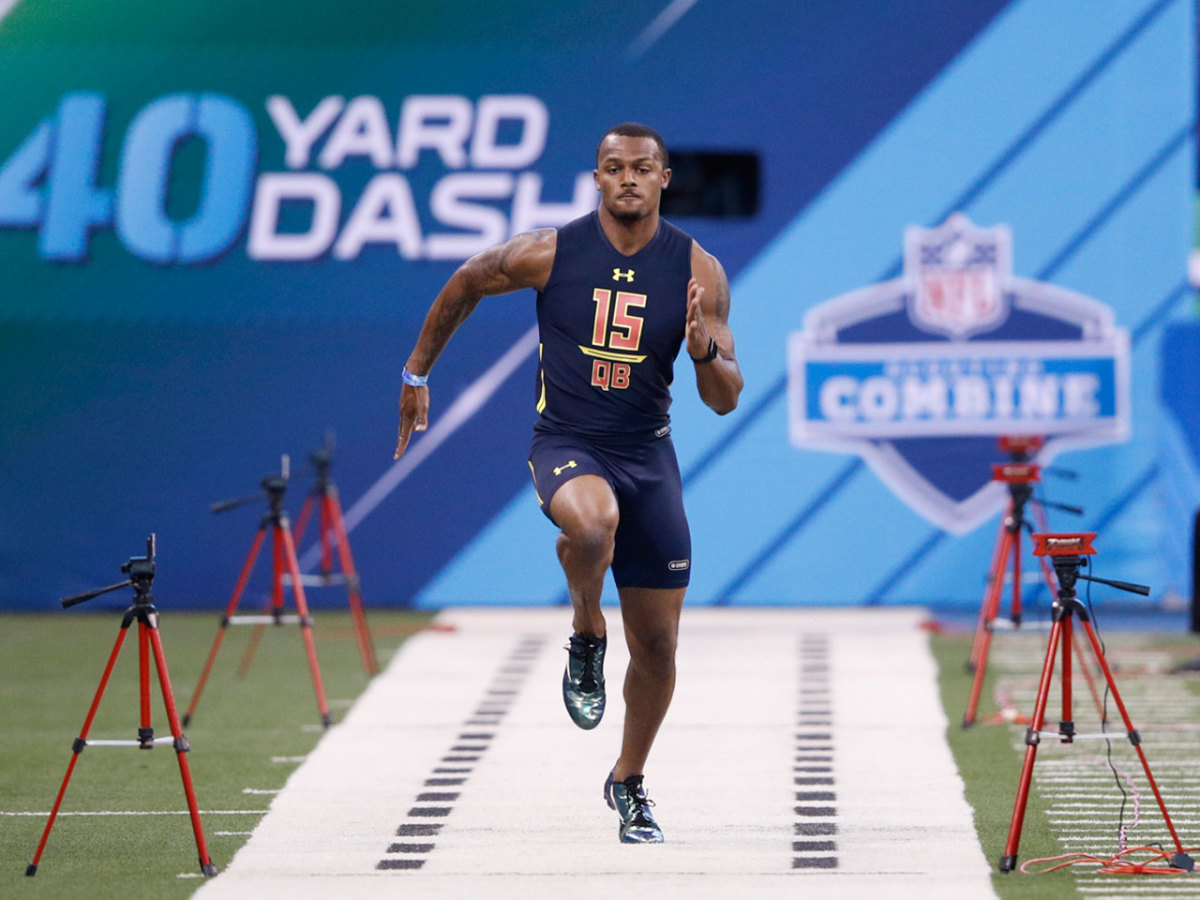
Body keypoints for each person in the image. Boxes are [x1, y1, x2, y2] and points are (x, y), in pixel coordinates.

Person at [393, 122, 743, 843]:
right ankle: (587, 626)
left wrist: (705, 348)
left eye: (642, 168)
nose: (627, 179)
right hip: (568, 443)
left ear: (663, 179)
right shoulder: (551, 251)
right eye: (613, 167)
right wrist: (416, 372)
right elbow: (465, 281)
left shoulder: (698, 270)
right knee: (590, 523)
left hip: (648, 456)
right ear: (597, 178)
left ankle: (628, 781)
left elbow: (725, 397)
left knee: (658, 649)